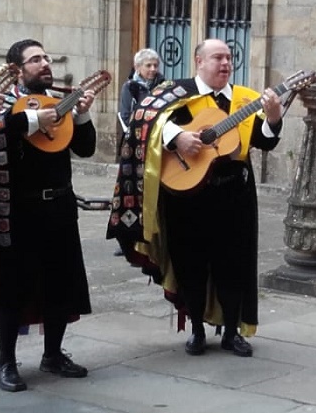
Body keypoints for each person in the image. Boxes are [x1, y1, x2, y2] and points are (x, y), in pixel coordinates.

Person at [108, 38, 283, 356]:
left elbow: (264, 141)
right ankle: (198, 331)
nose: (226, 63)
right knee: (191, 263)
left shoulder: (245, 99)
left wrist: (272, 118)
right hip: (187, 197)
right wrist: (177, 137)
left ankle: (232, 332)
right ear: (199, 61)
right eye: (218, 57)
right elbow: (142, 122)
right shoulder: (176, 92)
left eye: (229, 57)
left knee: (234, 265)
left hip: (234, 194)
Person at [0, 39, 97, 392]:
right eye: (36, 59)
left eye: (47, 57)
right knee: (13, 288)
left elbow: (85, 148)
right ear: (17, 69)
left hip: (60, 206)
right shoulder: (1, 105)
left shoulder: (57, 102)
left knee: (59, 283)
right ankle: (6, 363)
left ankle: (52, 355)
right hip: (18, 208)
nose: (45, 63)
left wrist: (80, 114)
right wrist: (33, 120)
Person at [118, 48, 161, 135]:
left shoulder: (163, 84)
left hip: (159, 134)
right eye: (148, 65)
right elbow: (126, 117)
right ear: (137, 67)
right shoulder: (130, 87)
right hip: (138, 135)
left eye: (155, 65)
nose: (153, 69)